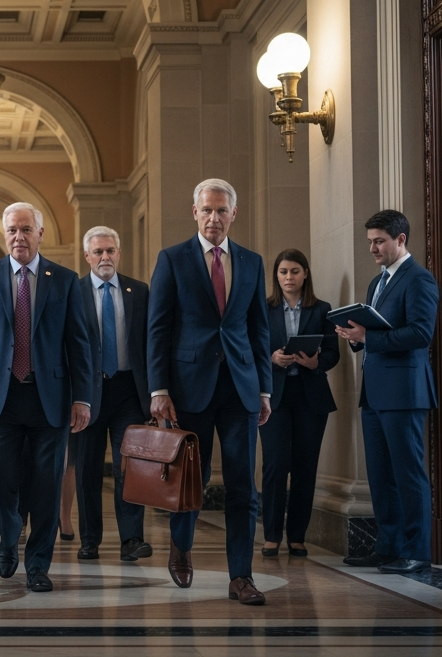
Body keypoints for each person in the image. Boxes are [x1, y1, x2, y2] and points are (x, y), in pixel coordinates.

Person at [148, 178, 271, 605]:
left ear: (234, 214)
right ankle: (181, 546)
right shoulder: (172, 259)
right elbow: (158, 329)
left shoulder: (252, 262)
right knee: (189, 484)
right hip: (187, 389)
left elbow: (259, 330)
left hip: (240, 388)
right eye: (207, 210)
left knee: (243, 486)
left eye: (222, 210)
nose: (214, 218)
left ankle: (241, 577)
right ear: (195, 213)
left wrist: (265, 391)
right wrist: (158, 389)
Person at [0, 202, 92, 594]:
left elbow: (79, 344)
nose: (19, 237)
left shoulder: (64, 280)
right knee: (4, 482)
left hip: (50, 397)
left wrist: (82, 397)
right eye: (12, 230)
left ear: (40, 233)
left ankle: (38, 565)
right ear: (6, 235)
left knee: (47, 485)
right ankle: (8, 537)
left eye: (26, 230)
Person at [336, 209, 439, 574]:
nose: (373, 249)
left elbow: (421, 334)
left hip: (405, 392)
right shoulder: (377, 283)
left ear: (401, 240)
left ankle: (416, 550)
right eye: (370, 242)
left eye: (379, 241)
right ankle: (388, 546)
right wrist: (355, 337)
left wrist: (370, 337)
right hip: (375, 392)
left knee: (408, 474)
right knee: (380, 475)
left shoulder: (419, 280)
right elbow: (374, 334)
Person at [74, 226, 152, 563]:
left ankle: (132, 539)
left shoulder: (140, 291)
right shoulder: (72, 292)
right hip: (87, 393)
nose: (105, 257)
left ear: (119, 253)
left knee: (129, 468)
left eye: (110, 251)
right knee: (87, 470)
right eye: (98, 252)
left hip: (128, 392)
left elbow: (152, 344)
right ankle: (89, 540)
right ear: (87, 256)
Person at [260, 249, 338, 558]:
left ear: (305, 273)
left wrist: (316, 362)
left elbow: (334, 353)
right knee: (275, 464)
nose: (288, 277)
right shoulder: (264, 309)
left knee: (306, 467)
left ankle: (297, 536)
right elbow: (250, 351)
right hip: (274, 397)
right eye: (283, 272)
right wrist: (271, 358)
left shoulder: (322, 309)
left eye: (294, 271)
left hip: (310, 396)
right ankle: (270, 536)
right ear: (276, 276)